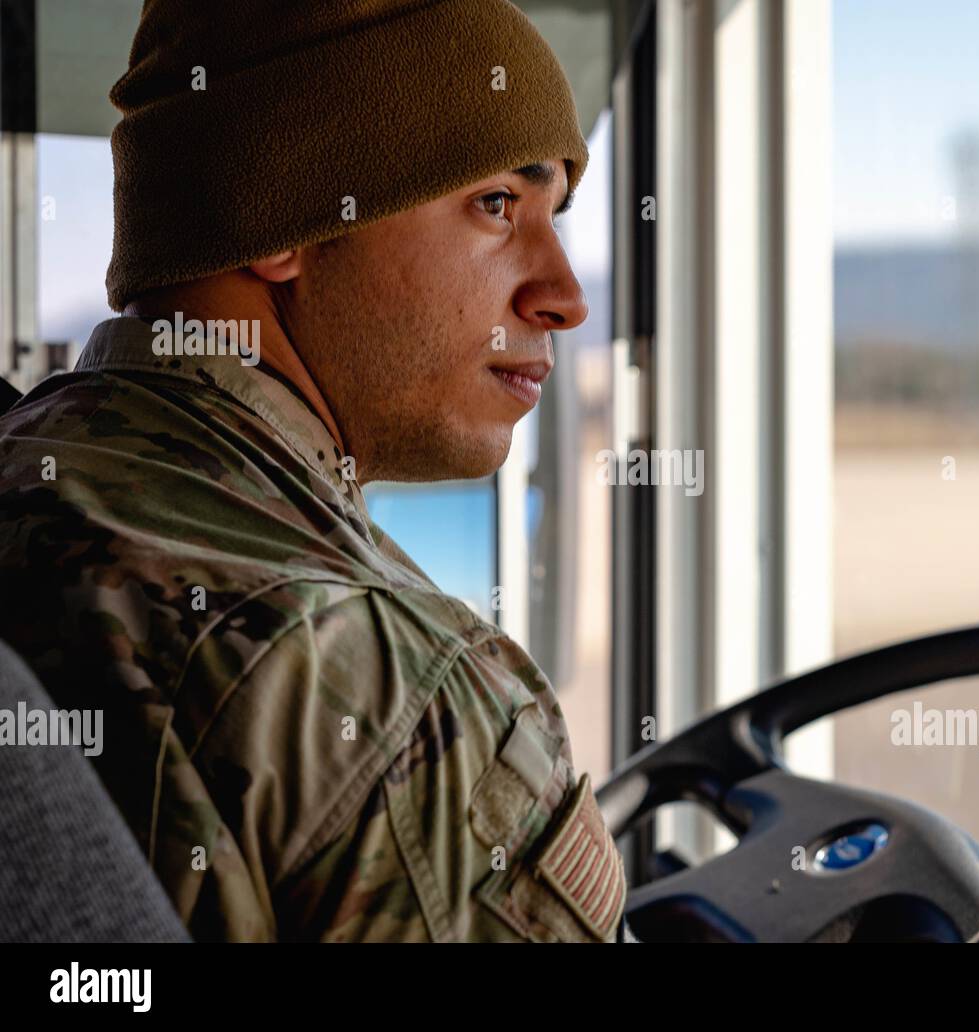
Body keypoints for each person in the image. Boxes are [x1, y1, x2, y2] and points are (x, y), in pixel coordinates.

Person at [0, 0, 625, 942]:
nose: (566, 297)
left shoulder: (34, 474)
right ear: (279, 216)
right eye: (497, 204)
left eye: (554, 214)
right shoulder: (381, 686)